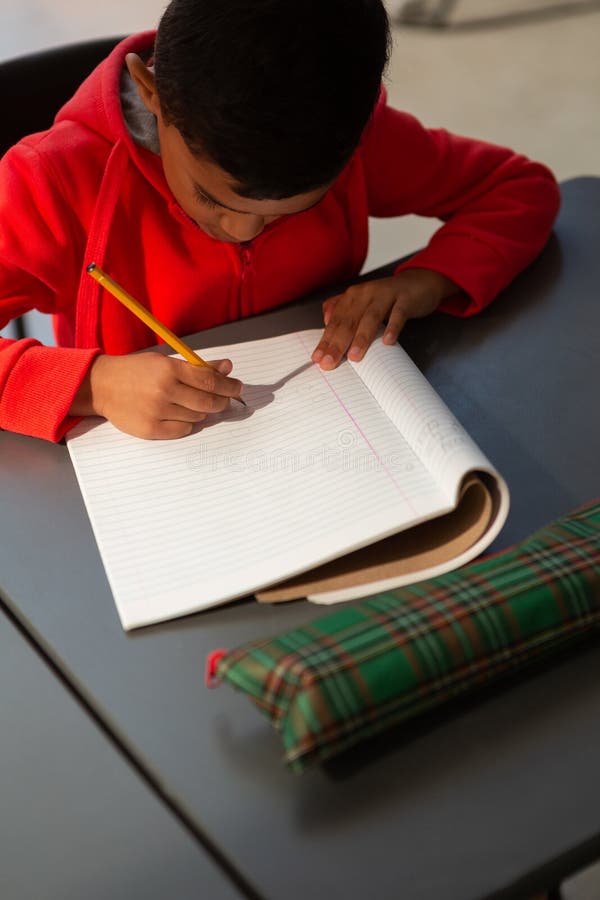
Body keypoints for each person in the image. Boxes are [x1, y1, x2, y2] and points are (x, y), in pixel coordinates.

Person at [0, 0, 560, 442]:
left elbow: (517, 188)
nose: (241, 231)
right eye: (211, 197)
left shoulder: (359, 139)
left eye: (290, 212)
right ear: (151, 92)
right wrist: (92, 386)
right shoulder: (51, 182)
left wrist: (424, 282)